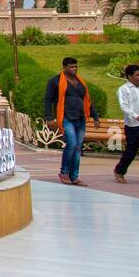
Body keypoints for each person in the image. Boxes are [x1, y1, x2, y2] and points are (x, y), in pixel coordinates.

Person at [44, 57, 100, 186]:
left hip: (80, 118)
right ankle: (64, 172)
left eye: (76, 67)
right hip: (66, 117)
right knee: (72, 144)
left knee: (78, 147)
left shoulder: (80, 82)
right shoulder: (55, 81)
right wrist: (49, 117)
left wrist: (95, 117)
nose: (74, 69)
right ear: (64, 67)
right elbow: (48, 100)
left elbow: (87, 101)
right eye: (71, 67)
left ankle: (74, 176)